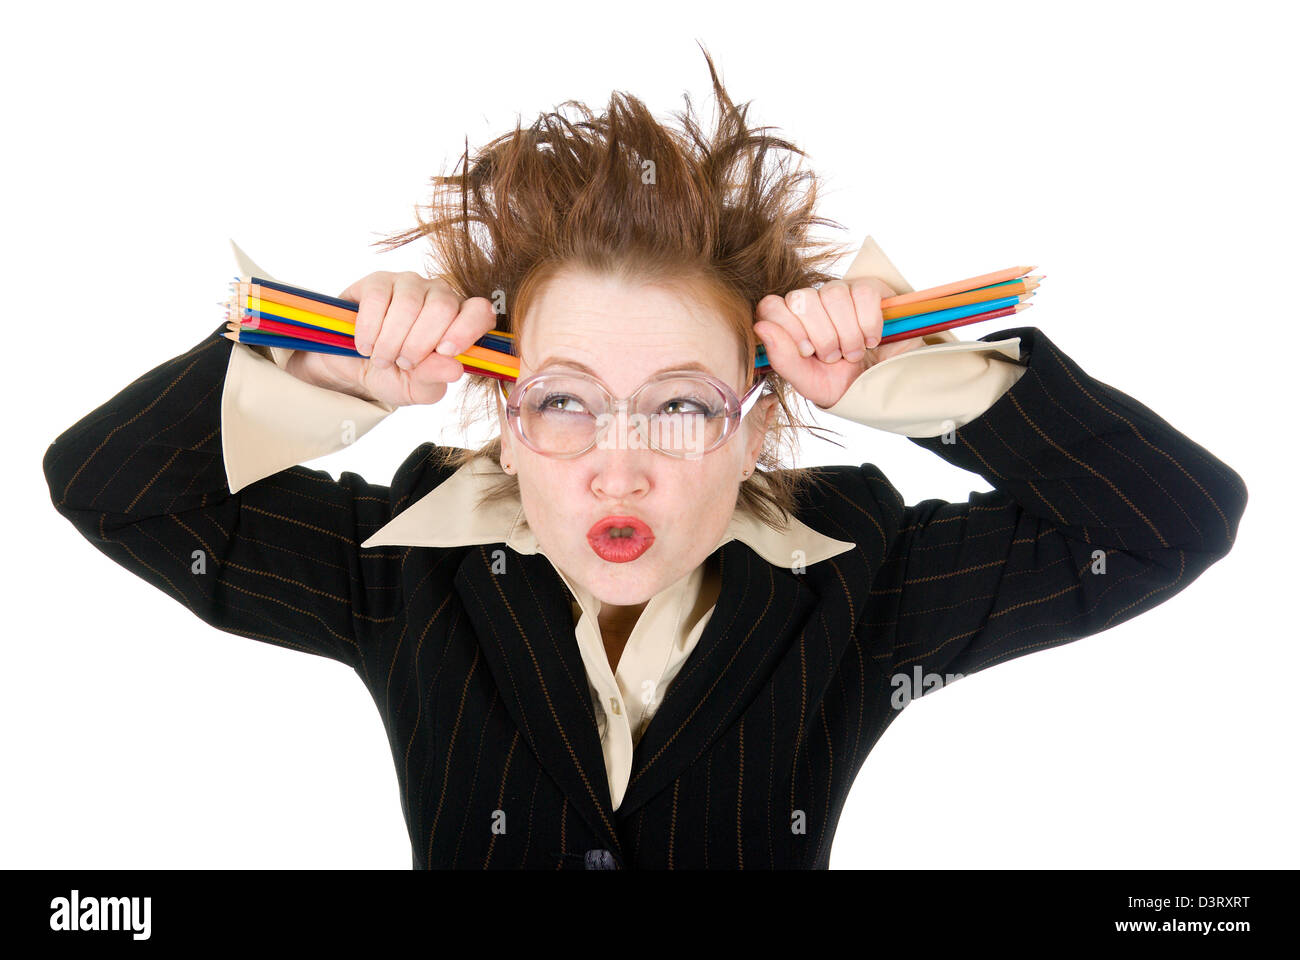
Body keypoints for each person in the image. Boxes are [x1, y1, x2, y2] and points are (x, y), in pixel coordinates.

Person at [42, 48, 1247, 869]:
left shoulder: (861, 579)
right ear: (504, 419)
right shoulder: (401, 572)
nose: (617, 470)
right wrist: (317, 377)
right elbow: (107, 490)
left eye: (678, 409)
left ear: (757, 423)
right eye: (565, 402)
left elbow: (1172, 520)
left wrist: (905, 372)